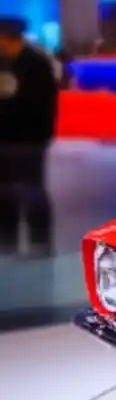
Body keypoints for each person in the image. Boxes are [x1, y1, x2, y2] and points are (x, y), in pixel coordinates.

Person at [0, 17, 58, 257]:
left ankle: (39, 241)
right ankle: (6, 239)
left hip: (30, 140)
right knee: (3, 192)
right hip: (4, 139)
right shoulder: (3, 63)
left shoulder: (36, 64)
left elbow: (42, 105)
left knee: (32, 189)